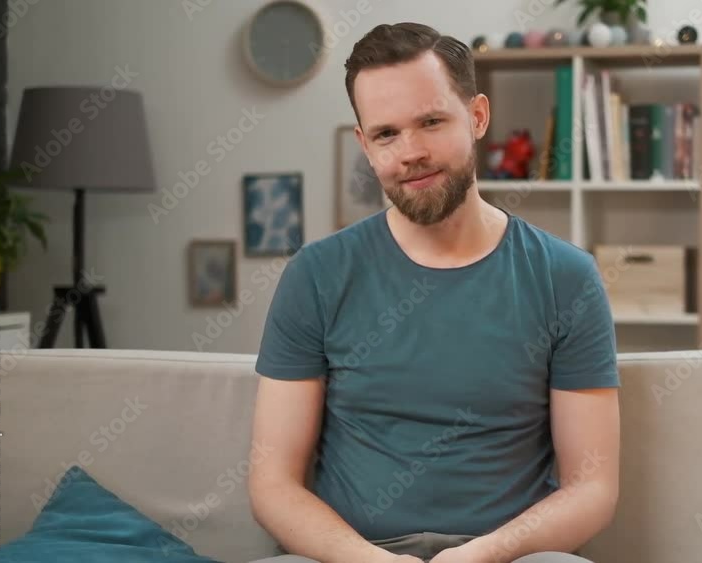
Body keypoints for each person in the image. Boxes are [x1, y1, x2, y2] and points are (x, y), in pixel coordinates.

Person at [248, 22, 621, 563]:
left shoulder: (567, 278)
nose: (410, 152)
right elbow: (273, 483)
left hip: (508, 557)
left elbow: (593, 489)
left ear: (477, 117)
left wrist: (484, 554)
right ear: (364, 144)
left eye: (430, 122)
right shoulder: (316, 274)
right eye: (386, 134)